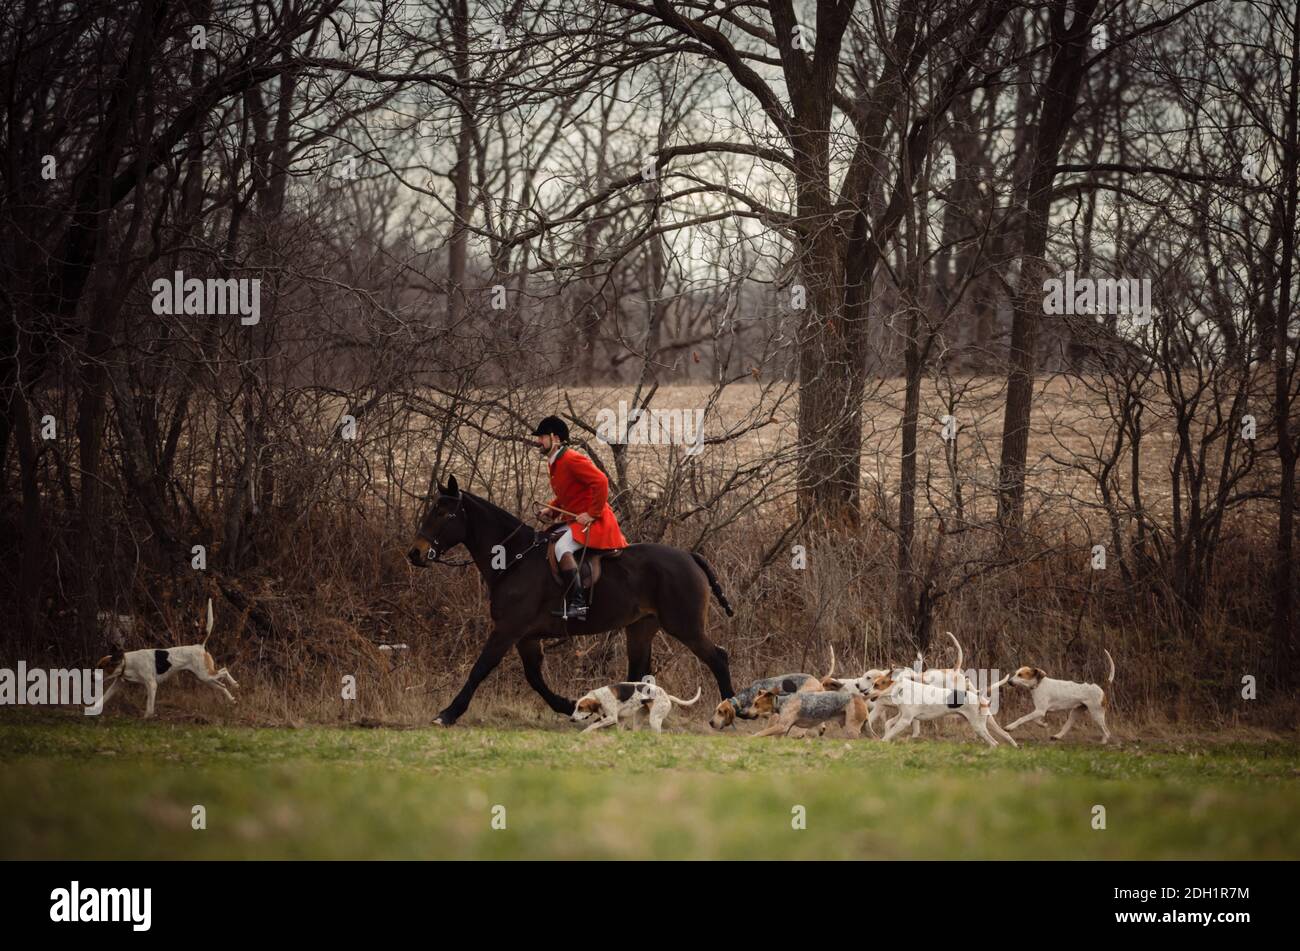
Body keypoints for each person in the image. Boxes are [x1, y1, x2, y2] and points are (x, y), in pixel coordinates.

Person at [531, 415, 627, 619]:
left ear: (555, 438)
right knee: (549, 539)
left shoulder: (571, 459)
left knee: (561, 547)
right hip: (575, 519)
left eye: (542, 437)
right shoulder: (554, 461)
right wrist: (552, 509)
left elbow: (601, 481)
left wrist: (592, 513)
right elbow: (569, 494)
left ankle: (579, 605)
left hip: (595, 522)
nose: (539, 441)